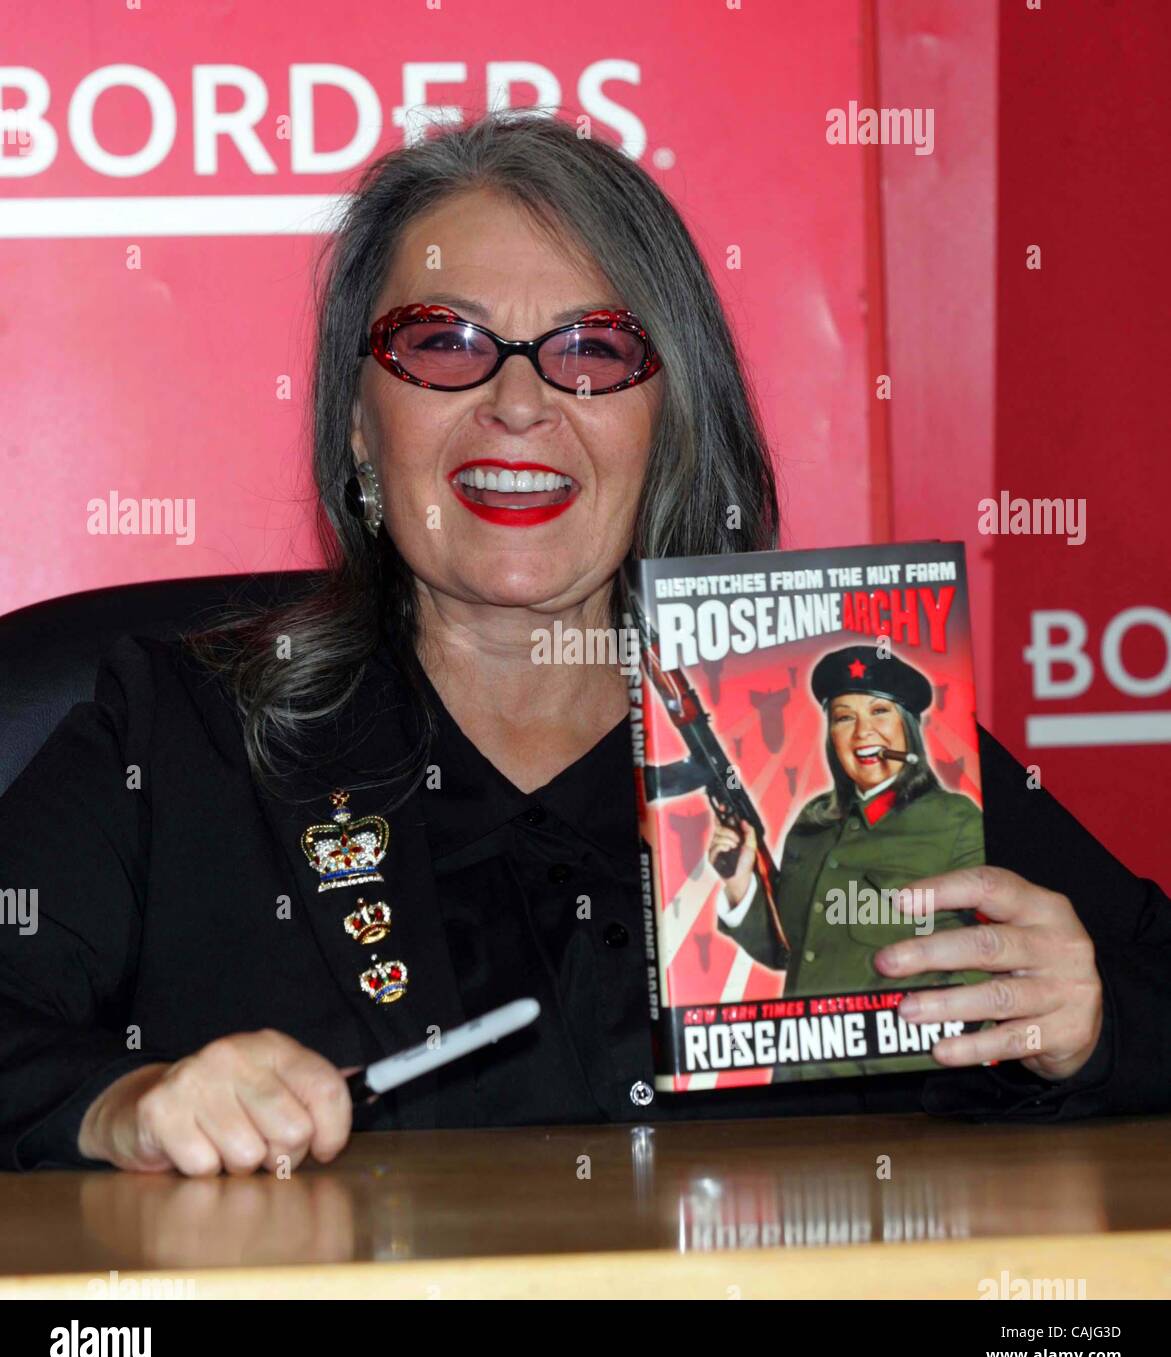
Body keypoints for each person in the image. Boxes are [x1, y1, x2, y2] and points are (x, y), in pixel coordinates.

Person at [0, 111, 1163, 1178]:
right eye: (444, 343)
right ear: (358, 420)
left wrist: (1094, 1018)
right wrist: (126, 1103)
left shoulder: (825, 719)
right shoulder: (179, 729)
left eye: (593, 350)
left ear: (672, 424)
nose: (517, 403)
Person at [711, 644, 985, 998]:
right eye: (844, 717)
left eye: (880, 711)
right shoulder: (813, 822)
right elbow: (789, 952)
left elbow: (994, 953)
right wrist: (738, 882)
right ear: (831, 737)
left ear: (908, 728)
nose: (863, 734)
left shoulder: (956, 822)